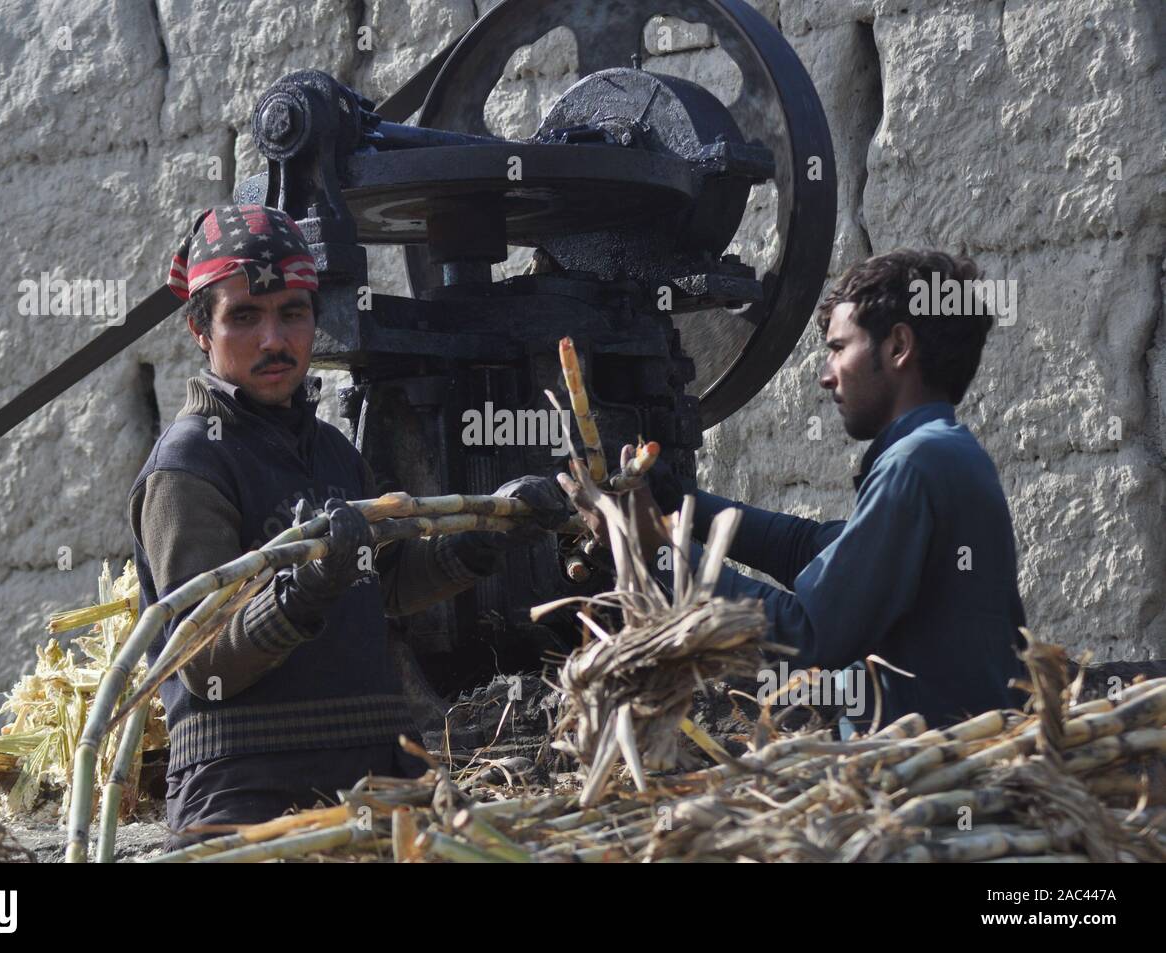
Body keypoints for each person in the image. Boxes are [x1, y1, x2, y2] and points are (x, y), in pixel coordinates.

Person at [129, 204, 566, 847]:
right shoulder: (190, 466)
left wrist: (482, 541)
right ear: (201, 329)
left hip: (378, 783)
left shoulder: (333, 452)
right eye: (244, 316)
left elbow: (385, 588)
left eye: (293, 313)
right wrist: (304, 589)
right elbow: (206, 660)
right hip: (250, 800)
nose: (274, 340)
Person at [562, 249, 1028, 732]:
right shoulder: (947, 454)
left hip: (920, 781)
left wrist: (651, 551)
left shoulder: (914, 465)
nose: (826, 375)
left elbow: (805, 637)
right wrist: (678, 502)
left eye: (839, 348)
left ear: (897, 347)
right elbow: (810, 549)